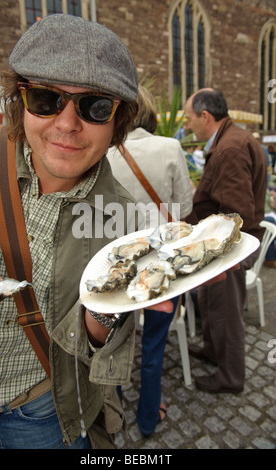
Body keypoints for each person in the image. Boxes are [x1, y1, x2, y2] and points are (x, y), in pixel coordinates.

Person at [0, 14, 175, 449]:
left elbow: (96, 344)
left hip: (37, 416)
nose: (67, 125)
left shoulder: (123, 219)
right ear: (20, 100)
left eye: (95, 107)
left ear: (117, 122)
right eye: (46, 99)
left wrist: (110, 309)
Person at [107, 85, 193, 436]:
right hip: (161, 264)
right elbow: (184, 209)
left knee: (110, 343)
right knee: (154, 345)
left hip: (116, 263)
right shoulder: (170, 147)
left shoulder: (105, 151)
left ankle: (111, 411)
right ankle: (147, 417)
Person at [185, 88, 267, 394]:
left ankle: (231, 377)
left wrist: (214, 245)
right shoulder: (231, 140)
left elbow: (237, 212)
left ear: (205, 116)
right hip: (222, 244)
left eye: (189, 118)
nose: (187, 124)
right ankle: (212, 350)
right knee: (212, 302)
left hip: (229, 247)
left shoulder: (229, 148)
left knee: (226, 311)